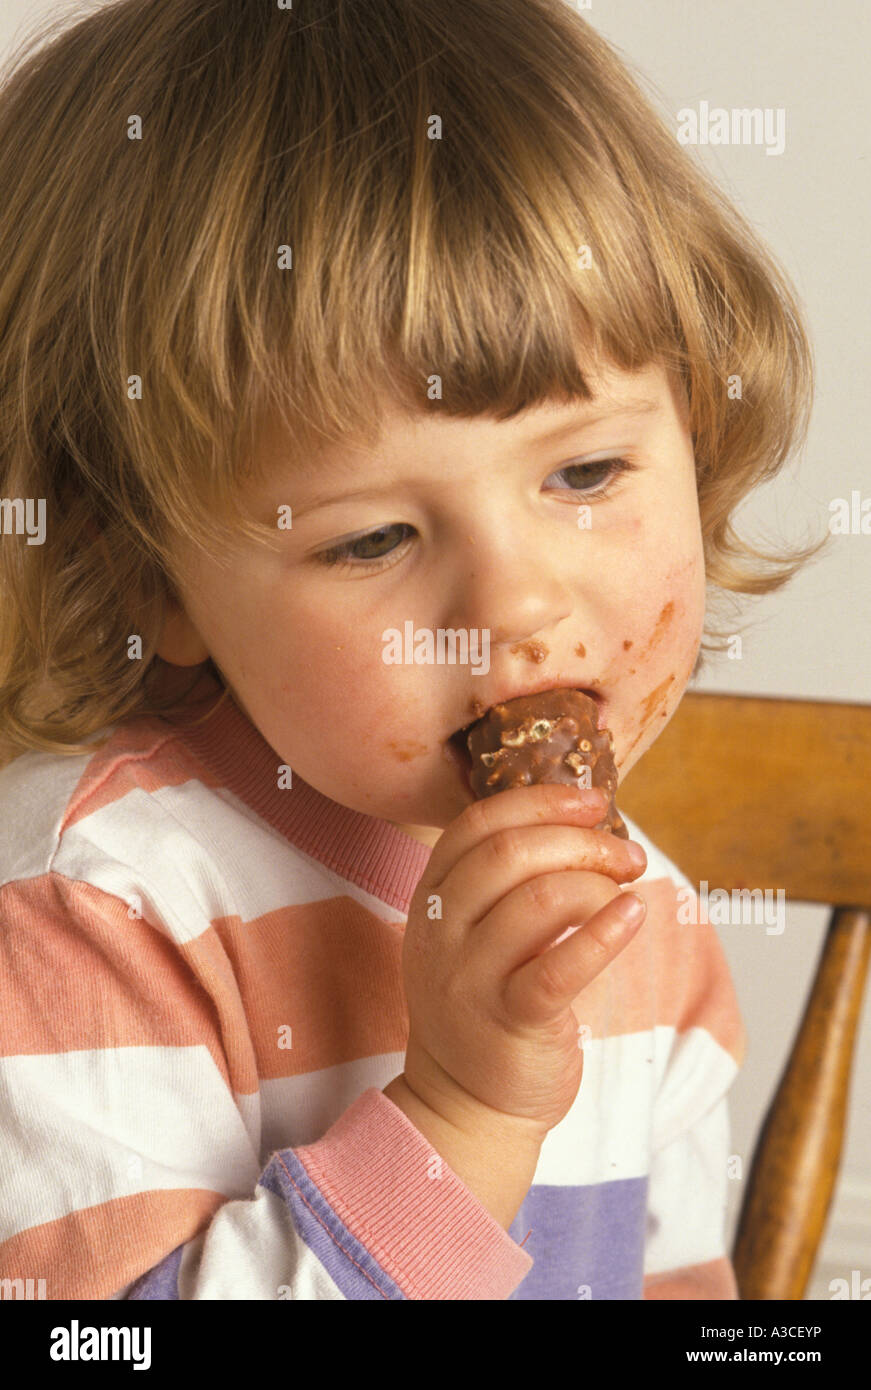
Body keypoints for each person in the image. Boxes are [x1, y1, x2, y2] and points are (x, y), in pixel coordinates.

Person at [0, 0, 824, 1300]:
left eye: (590, 467)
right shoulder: (93, 913)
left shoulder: (646, 921)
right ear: (141, 574)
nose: (514, 604)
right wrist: (467, 1116)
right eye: (375, 536)